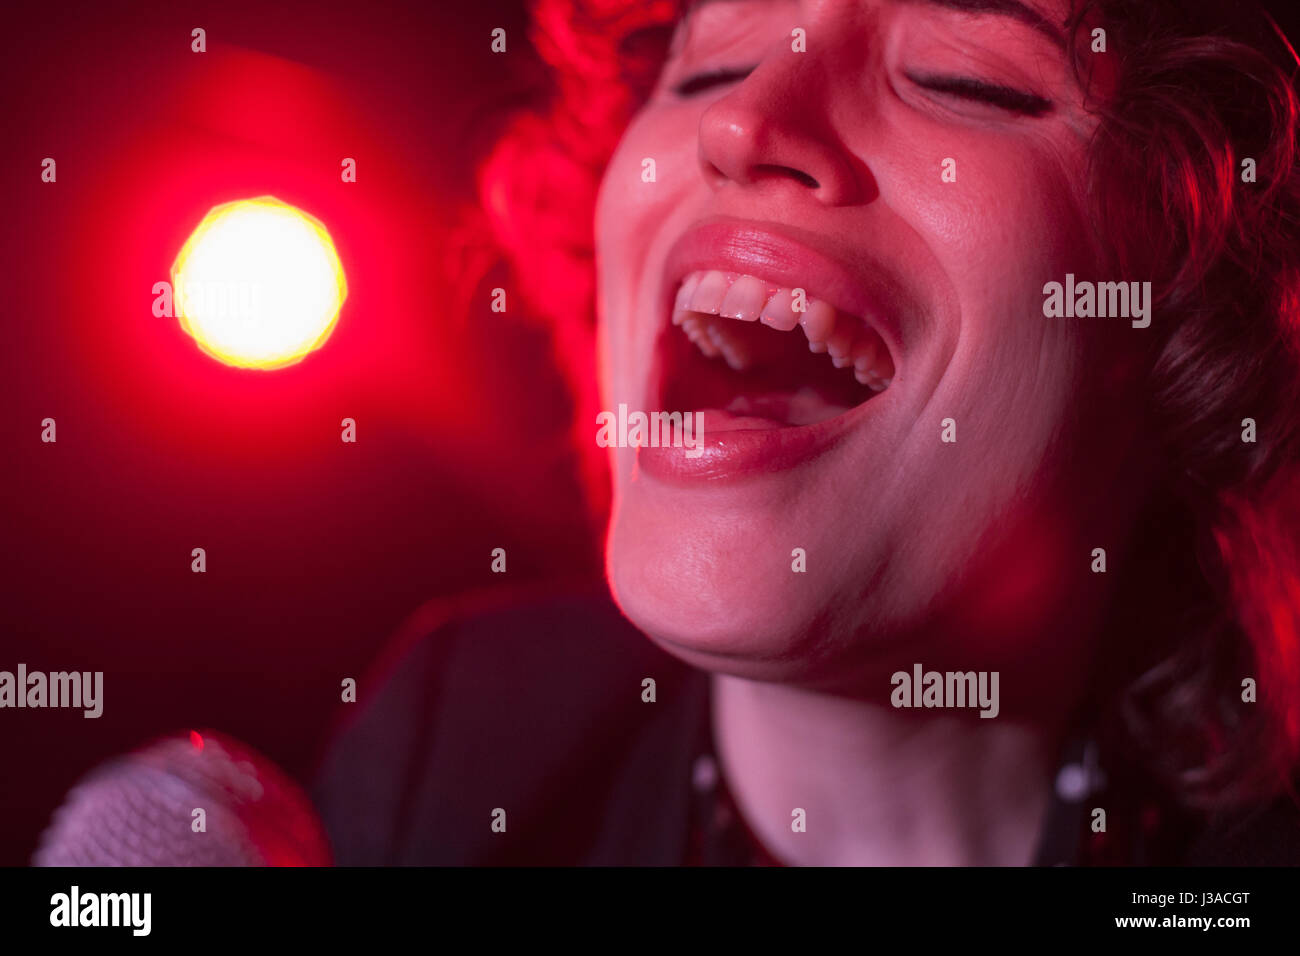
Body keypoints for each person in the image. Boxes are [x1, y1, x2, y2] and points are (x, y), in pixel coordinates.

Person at [312, 0, 1300, 865]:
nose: (742, 122)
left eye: (970, 82)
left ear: (1188, 325)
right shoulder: (448, 743)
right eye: (708, 64)